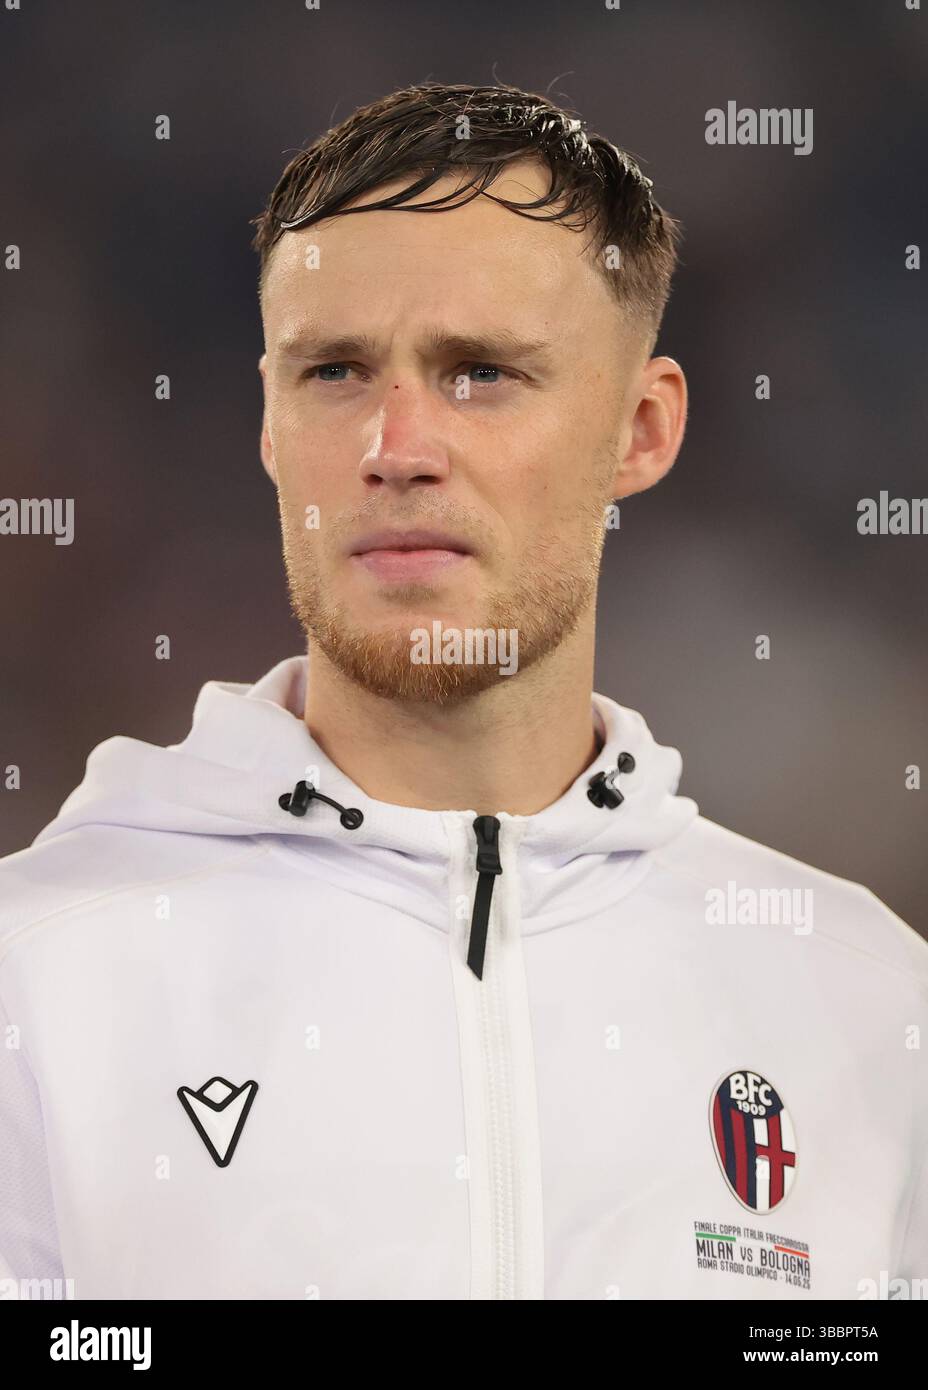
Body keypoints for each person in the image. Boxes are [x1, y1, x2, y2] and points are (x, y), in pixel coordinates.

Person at [0, 82, 924, 1301]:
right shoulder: (39, 981)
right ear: (272, 427)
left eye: (480, 372)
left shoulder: (867, 1004)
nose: (396, 444)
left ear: (640, 431)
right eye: (333, 371)